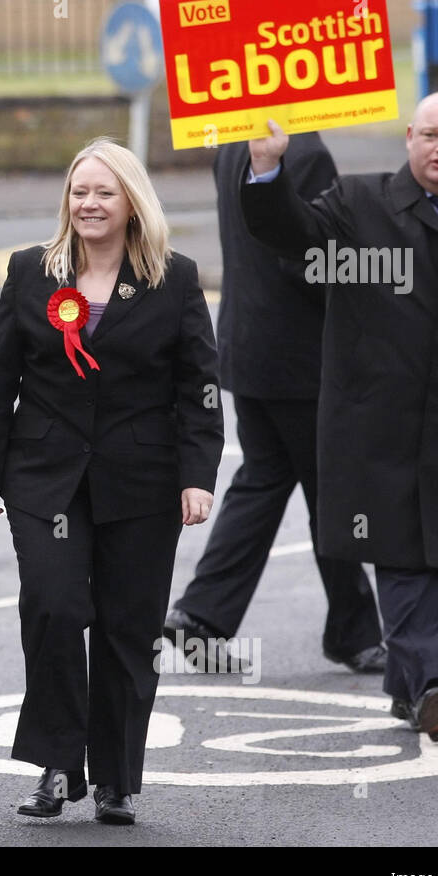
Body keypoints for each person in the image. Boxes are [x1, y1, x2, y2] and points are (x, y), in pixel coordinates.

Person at [243, 90, 438, 740]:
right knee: (400, 553)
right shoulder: (358, 204)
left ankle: (405, 685)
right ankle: (431, 683)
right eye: (430, 134)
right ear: (409, 138)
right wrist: (269, 171)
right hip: (372, 425)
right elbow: (293, 239)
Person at [0, 138, 224, 824]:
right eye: (79, 192)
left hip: (143, 482)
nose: (88, 204)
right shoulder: (31, 272)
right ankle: (56, 763)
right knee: (53, 605)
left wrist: (198, 477)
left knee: (127, 627)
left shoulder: (174, 278)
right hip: (44, 477)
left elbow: (199, 388)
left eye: (104, 192)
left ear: (132, 202)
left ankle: (116, 777)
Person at [165, 134, 386, 672]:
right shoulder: (305, 153)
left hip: (248, 347)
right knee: (330, 492)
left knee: (264, 479)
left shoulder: (234, 146)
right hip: (299, 359)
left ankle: (200, 615)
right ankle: (353, 633)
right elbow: (304, 257)